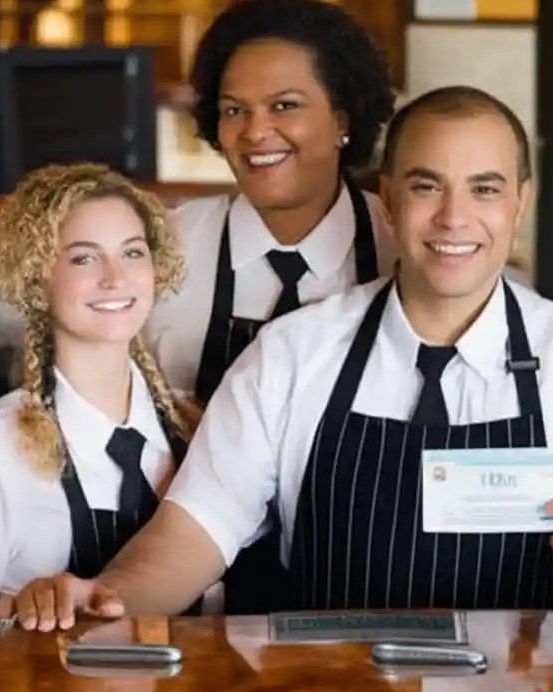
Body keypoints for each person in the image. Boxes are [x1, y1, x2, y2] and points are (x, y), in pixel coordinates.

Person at [11, 85, 553, 631]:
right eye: (427, 186)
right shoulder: (294, 352)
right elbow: (195, 530)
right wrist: (103, 597)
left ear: (520, 201)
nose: (454, 217)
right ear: (389, 197)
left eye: (485, 190)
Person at [143, 0, 397, 614]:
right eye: (235, 111)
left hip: (358, 586)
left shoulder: (404, 249)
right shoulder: (161, 249)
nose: (256, 133)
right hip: (185, 585)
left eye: (285, 106)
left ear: (344, 116)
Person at [0, 164, 199, 616]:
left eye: (132, 253)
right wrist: (25, 608)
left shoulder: (196, 433)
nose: (115, 277)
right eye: (83, 258)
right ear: (36, 280)